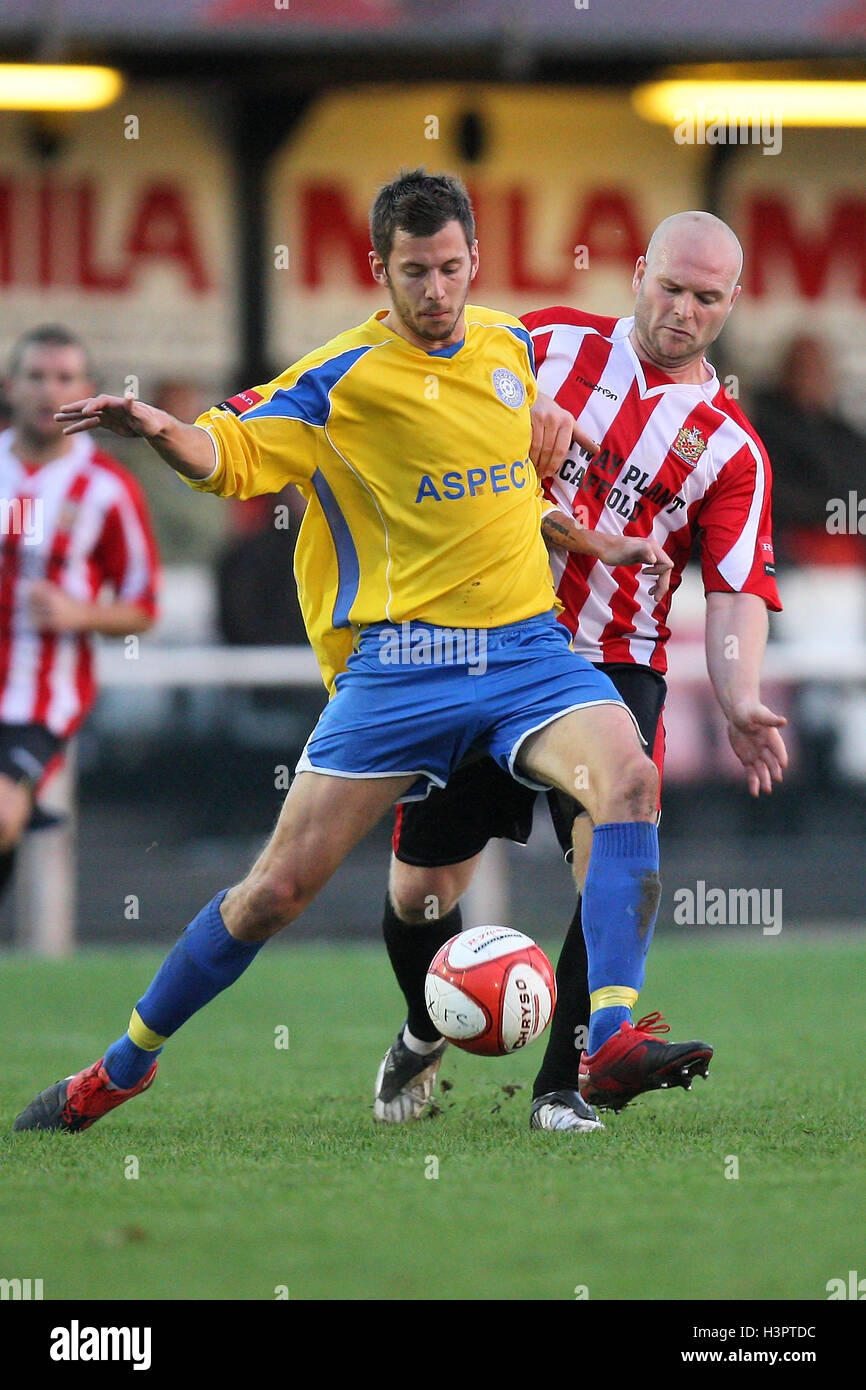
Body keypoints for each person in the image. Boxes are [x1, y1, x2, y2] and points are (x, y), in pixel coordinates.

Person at [12, 169, 707, 1137]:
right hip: (400, 668)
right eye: (414, 271)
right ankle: (122, 1066)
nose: (435, 292)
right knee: (275, 892)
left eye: (451, 268)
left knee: (629, 779)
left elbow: (503, 491)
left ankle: (609, 1037)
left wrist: (581, 536)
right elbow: (231, 451)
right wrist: (165, 433)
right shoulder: (339, 376)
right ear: (377, 267)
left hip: (524, 651)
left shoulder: (510, 347)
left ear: (473, 260)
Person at [374, 210, 787, 1133]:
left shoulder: (732, 449)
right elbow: (442, 382)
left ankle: (567, 1081)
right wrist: (511, 397)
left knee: (611, 837)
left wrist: (740, 696)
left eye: (706, 298)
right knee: (418, 895)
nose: (683, 310)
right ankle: (426, 1023)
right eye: (670, 287)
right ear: (638, 273)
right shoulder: (545, 342)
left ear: (733, 303)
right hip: (485, 636)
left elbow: (733, 594)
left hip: (611, 664)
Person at [0, 325, 159, 902]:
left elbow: (143, 608)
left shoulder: (108, 489)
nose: (50, 392)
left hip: (40, 697)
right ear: (10, 386)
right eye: (37, 376)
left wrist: (78, 612)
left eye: (65, 379)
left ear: (88, 390)